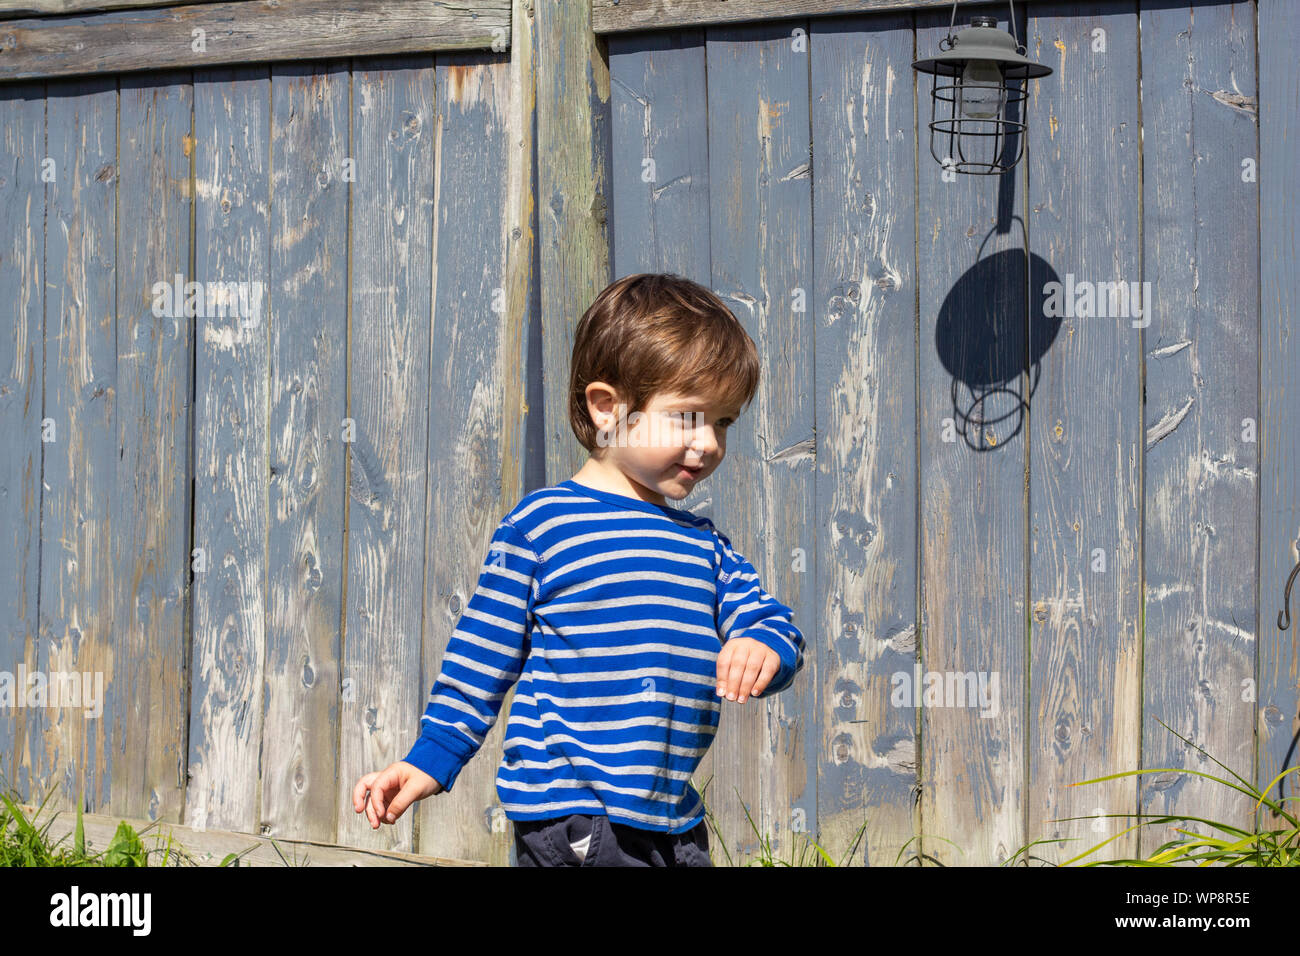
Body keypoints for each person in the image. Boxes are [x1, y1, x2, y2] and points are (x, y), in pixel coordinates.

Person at [352, 272, 805, 866]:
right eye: (691, 418)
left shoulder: (705, 547)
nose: (711, 444)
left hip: (670, 817)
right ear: (609, 409)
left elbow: (773, 621)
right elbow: (481, 655)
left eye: (724, 422)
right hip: (579, 816)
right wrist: (430, 759)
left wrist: (760, 646)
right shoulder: (544, 526)